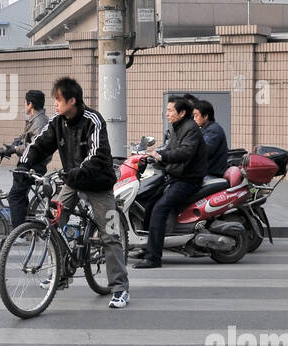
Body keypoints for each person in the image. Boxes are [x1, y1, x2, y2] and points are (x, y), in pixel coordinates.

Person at [18, 77, 130, 308]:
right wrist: (24, 164)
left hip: (98, 183)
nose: (55, 105)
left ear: (72, 100)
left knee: (109, 235)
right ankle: (61, 274)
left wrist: (78, 171)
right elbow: (40, 144)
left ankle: (119, 288)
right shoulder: (57, 122)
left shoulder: (93, 120)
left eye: (58, 100)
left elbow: (97, 154)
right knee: (53, 221)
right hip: (72, 181)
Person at [134, 95, 205, 270]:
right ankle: (148, 247)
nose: (166, 113)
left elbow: (185, 152)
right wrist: (152, 154)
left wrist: (162, 156)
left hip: (188, 180)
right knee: (148, 204)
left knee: (160, 208)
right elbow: (169, 148)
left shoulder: (191, 129)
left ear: (181, 112)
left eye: (170, 110)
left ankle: (153, 258)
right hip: (174, 176)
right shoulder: (178, 127)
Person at [8, 89, 51, 227]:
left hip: (34, 166)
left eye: (25, 103)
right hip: (30, 164)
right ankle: (25, 225)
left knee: (14, 196)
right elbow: (26, 141)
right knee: (21, 194)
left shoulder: (40, 122)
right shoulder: (35, 120)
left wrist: (15, 149)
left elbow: (33, 147)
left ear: (30, 104)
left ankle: (18, 231)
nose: (24, 105)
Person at [190, 98, 229, 177]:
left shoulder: (213, 130)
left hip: (212, 173)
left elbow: (204, 151)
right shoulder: (206, 129)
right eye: (193, 115)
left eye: (196, 115)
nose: (194, 119)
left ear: (205, 116)